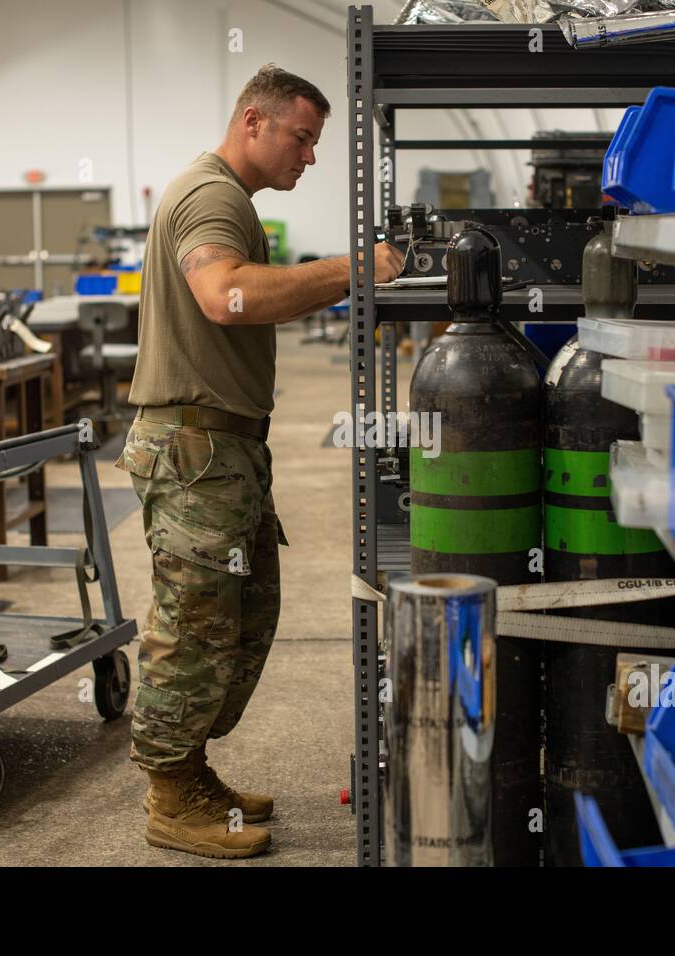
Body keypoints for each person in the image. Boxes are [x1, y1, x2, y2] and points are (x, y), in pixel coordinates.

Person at [116, 63, 405, 859]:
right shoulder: (212, 196)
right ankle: (171, 797)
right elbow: (224, 296)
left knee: (238, 622)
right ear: (254, 122)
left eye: (315, 142)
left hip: (220, 446)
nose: (309, 157)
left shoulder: (227, 198)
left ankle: (192, 770)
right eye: (301, 138)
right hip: (195, 449)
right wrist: (354, 270)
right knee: (196, 628)